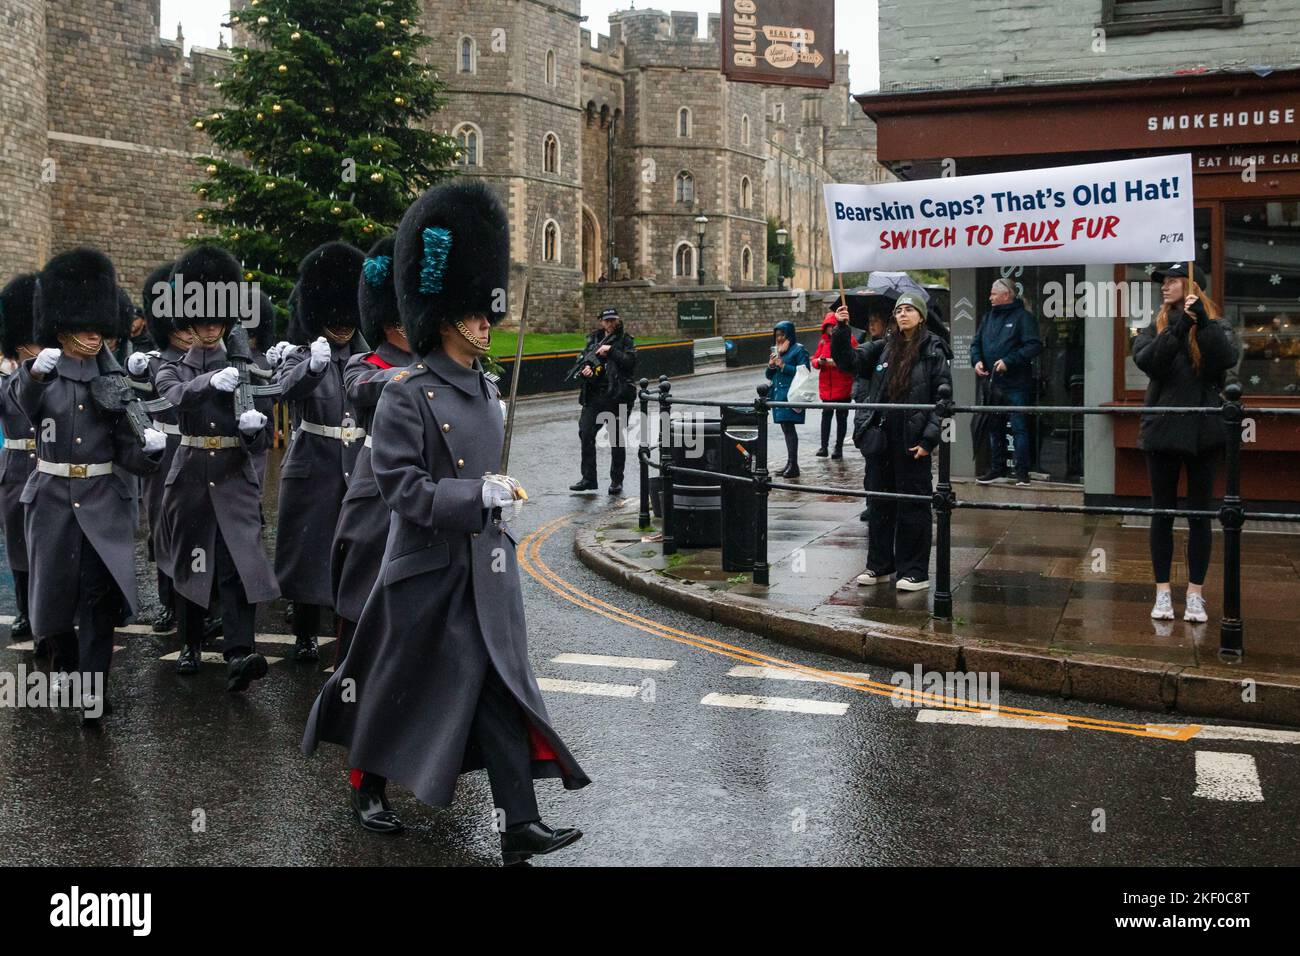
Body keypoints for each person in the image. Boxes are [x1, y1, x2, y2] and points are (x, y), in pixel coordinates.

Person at [303, 180, 589, 864]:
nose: (486, 324)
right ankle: (367, 785)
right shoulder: (406, 397)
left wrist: (502, 503)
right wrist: (474, 498)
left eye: (487, 313)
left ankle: (519, 822)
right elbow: (404, 491)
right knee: (396, 685)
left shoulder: (487, 389)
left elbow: (485, 476)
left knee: (497, 689)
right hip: (425, 570)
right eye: (472, 314)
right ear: (443, 316)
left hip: (485, 570)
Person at [15, 249, 166, 724]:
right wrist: (34, 374)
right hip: (54, 501)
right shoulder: (44, 374)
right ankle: (66, 662)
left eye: (98, 324)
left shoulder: (113, 379)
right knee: (55, 599)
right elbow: (22, 406)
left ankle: (93, 692)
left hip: (102, 502)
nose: (94, 332)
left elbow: (127, 449)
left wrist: (151, 451)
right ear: (61, 328)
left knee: (98, 600)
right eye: (84, 324)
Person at [154, 246, 280, 686]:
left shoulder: (248, 366)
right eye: (201, 321)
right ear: (188, 324)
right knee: (194, 561)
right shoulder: (169, 368)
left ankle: (239, 653)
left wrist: (250, 428)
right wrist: (210, 381)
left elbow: (263, 434)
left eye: (216, 321)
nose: (209, 328)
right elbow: (176, 397)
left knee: (237, 562)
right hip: (190, 473)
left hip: (233, 472)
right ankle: (189, 644)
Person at [271, 242, 368, 662]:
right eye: (335, 319)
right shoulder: (300, 354)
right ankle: (306, 632)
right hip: (314, 459)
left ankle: (349, 625)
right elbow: (284, 389)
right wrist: (311, 368)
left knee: (355, 551)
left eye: (349, 318)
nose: (343, 327)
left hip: (357, 461)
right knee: (309, 550)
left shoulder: (367, 357)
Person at [1132, 263, 1239, 624]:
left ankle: (1195, 593)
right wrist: (1178, 326)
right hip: (1162, 432)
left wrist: (1202, 325)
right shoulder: (1157, 325)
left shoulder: (1217, 325)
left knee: (1199, 516)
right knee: (1161, 514)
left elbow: (1224, 361)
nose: (1165, 286)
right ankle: (1162, 591)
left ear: (1193, 285)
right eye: (1164, 281)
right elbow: (1149, 363)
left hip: (1203, 434)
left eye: (1173, 280)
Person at [831, 293, 952, 592]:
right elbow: (849, 361)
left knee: (913, 507)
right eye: (899, 311)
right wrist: (842, 329)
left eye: (909, 310)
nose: (903, 315)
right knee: (879, 504)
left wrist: (928, 439)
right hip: (882, 438)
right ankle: (880, 566)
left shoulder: (933, 348)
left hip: (912, 439)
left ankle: (914, 572)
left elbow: (944, 399)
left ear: (921, 316)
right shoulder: (884, 346)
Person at [329, 235, 412, 665]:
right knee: (361, 596)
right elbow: (362, 390)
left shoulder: (436, 365)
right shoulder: (366, 364)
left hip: (422, 495)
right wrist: (408, 380)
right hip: (375, 494)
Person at [127, 260, 189, 634]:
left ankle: (202, 602)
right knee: (163, 527)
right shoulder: (150, 361)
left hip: (199, 447)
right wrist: (135, 373)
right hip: (165, 449)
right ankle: (169, 601)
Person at [0, 274, 40, 644]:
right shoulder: (4, 378)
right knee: (17, 542)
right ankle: (25, 611)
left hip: (46, 466)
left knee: (47, 542)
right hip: (14, 466)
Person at [971, 277, 1041, 486]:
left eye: (993, 293)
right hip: (993, 384)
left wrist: (1009, 361)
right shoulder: (988, 318)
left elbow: (1034, 346)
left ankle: (1022, 473)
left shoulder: (1023, 318)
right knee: (995, 427)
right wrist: (977, 361)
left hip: (1017, 383)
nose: (990, 297)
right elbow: (975, 344)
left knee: (1020, 427)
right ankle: (998, 469)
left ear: (1006, 295)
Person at [569, 307, 637, 495]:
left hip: (618, 395)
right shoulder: (593, 340)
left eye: (613, 320)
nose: (609, 323)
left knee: (616, 438)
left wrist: (611, 351)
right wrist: (587, 372)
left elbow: (630, 362)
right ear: (601, 322)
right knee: (586, 432)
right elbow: (586, 364)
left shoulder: (626, 340)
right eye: (606, 320)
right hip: (595, 396)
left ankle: (616, 481)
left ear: (618, 320)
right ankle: (589, 478)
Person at [766, 319, 810, 479]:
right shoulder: (777, 351)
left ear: (789, 334)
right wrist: (772, 365)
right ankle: (790, 463)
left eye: (782, 334)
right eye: (777, 335)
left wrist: (783, 365)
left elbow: (804, 372)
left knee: (789, 429)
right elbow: (769, 375)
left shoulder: (799, 350)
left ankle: (794, 465)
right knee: (786, 429)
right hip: (779, 396)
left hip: (791, 395)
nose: (779, 338)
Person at [811, 311, 857, 459]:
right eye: (828, 326)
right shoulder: (822, 342)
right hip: (827, 388)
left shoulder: (849, 340)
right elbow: (814, 360)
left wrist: (834, 363)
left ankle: (838, 448)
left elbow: (855, 360)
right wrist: (819, 361)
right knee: (826, 417)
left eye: (834, 325)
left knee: (841, 418)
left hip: (842, 386)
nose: (831, 329)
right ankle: (823, 447)